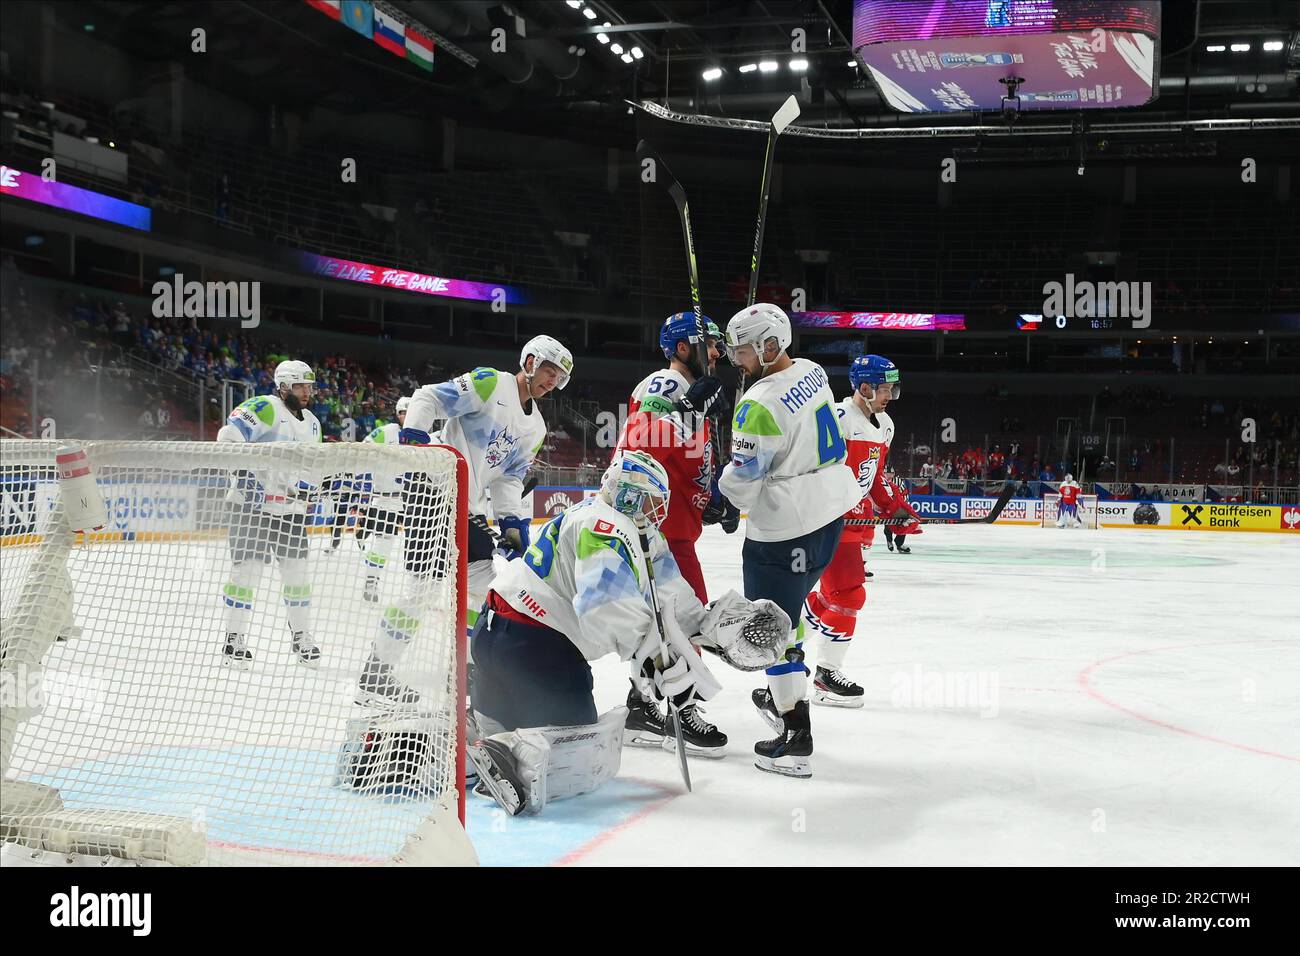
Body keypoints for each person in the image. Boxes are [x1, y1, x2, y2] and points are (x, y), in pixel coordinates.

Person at [466, 450, 789, 815]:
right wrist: (652, 657)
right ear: (627, 493)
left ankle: (478, 734)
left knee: (507, 725)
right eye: (651, 500)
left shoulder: (628, 527)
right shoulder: (606, 526)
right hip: (533, 645)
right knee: (577, 755)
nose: (657, 511)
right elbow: (604, 604)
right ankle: (505, 753)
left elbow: (668, 592)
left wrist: (707, 627)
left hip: (498, 636)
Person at [354, 337, 573, 706]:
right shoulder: (491, 383)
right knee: (422, 590)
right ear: (531, 361)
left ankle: (465, 674)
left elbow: (509, 478)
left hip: (468, 508)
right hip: (434, 490)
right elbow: (427, 397)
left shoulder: (535, 427)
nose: (553, 381)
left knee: (485, 591)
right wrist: (415, 438)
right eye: (550, 370)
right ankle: (374, 676)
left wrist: (512, 524)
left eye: (560, 377)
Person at [716, 303, 862, 777]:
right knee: (792, 617)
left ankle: (795, 733)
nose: (737, 360)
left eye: (742, 351)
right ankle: (788, 685)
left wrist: (722, 500)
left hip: (786, 528)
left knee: (768, 631)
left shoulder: (757, 404)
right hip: (829, 517)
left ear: (768, 345)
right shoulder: (813, 370)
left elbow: (744, 478)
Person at [617, 312, 733, 756]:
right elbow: (639, 440)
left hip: (676, 526)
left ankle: (641, 704)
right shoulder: (663, 385)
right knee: (686, 620)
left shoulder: (696, 392)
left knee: (658, 622)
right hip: (657, 529)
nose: (719, 352)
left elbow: (686, 458)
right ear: (683, 348)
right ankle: (682, 713)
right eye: (711, 344)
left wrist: (711, 496)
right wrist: (689, 411)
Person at [804, 357, 922, 708]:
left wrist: (895, 508)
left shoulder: (884, 424)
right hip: (830, 520)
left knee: (831, 597)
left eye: (891, 388)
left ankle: (785, 647)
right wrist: (836, 510)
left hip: (854, 522)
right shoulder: (839, 419)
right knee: (850, 594)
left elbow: (876, 476)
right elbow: (819, 471)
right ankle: (826, 676)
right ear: (865, 387)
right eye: (884, 389)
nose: (890, 395)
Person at [215, 359, 324, 666]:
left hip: (290, 512)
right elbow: (228, 436)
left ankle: (301, 636)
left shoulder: (313, 422)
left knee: (298, 576)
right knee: (246, 574)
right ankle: (233, 639)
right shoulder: (263, 406)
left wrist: (309, 488)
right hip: (251, 509)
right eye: (301, 386)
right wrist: (244, 477)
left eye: (310, 386)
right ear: (284, 386)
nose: (307, 392)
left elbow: (312, 465)